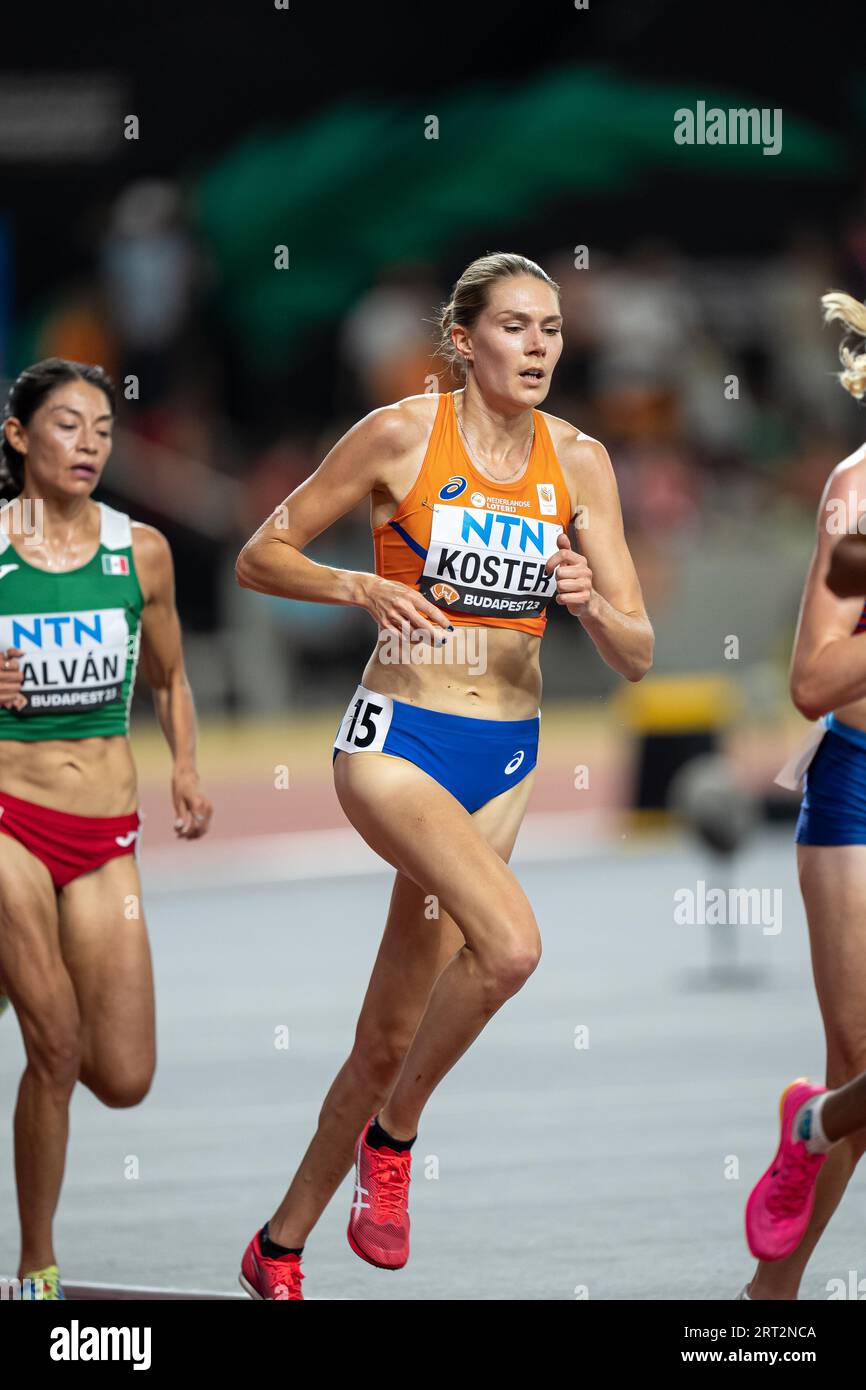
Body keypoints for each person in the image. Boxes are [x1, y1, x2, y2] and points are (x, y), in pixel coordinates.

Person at [235, 252, 653, 1300]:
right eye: (514, 327)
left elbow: (637, 650)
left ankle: (277, 1246)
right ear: (461, 339)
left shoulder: (581, 462)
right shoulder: (399, 434)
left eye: (551, 329)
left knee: (386, 1032)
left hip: (504, 756)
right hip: (396, 741)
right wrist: (358, 585)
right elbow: (260, 553)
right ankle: (395, 1139)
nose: (537, 347)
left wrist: (589, 602)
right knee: (510, 947)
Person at [0, 357, 212, 1299]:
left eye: (102, 430)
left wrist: (188, 769)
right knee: (52, 1043)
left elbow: (168, 675)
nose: (88, 445)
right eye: (65, 427)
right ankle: (37, 1261)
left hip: (103, 834)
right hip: (7, 818)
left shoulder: (143, 553)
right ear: (18, 437)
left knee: (121, 1075)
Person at [740, 290, 866, 1296]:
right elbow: (813, 681)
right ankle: (775, 1298)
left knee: (854, 1086)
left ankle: (813, 1123)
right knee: (860, 1052)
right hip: (856, 789)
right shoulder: (854, 492)